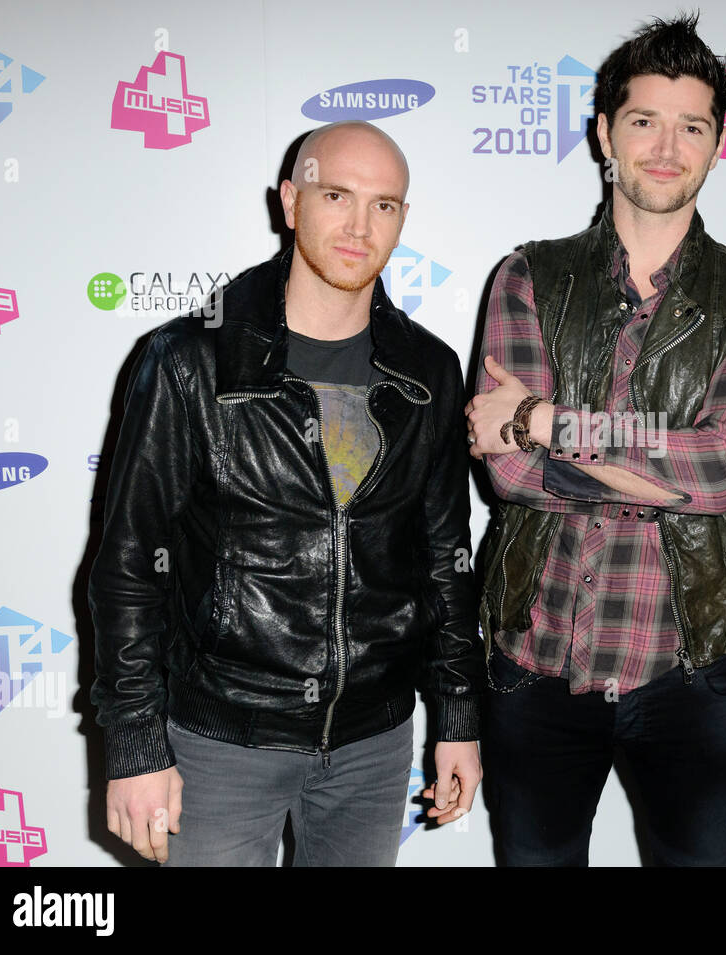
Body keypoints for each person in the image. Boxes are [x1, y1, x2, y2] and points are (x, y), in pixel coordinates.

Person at [88, 121, 483, 866]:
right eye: (337, 195)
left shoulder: (428, 369)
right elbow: (131, 562)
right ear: (291, 201)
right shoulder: (190, 360)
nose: (359, 225)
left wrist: (459, 712)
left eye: (385, 205)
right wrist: (136, 742)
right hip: (221, 740)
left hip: (372, 742)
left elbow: (444, 556)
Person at [465, 13, 726, 866]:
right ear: (603, 133)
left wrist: (550, 424)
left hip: (690, 668)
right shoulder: (526, 275)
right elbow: (506, 472)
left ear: (719, 144)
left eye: (692, 125)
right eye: (644, 120)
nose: (666, 145)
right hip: (534, 664)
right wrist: (656, 465)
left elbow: (723, 468)